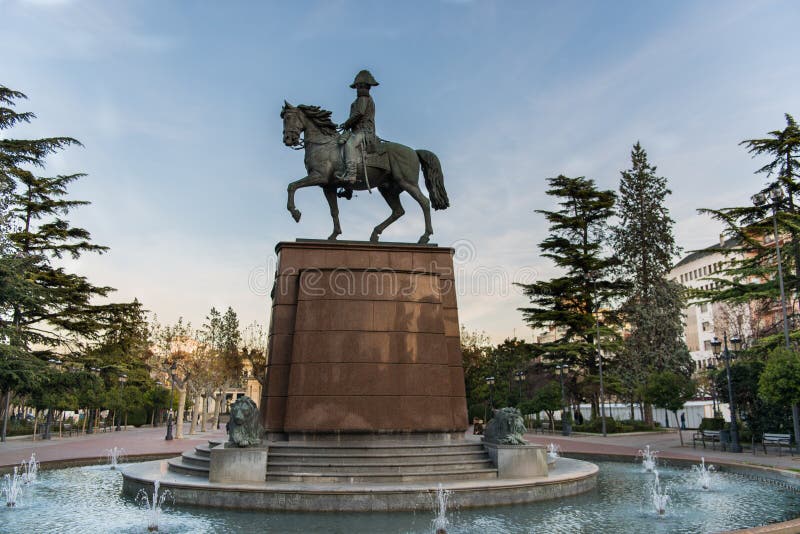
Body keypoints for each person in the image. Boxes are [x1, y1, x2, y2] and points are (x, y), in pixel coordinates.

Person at [336, 69, 379, 184]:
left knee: (350, 145)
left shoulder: (364, 99)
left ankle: (351, 174)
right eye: (358, 87)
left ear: (367, 87)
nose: (359, 89)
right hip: (355, 131)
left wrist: (347, 123)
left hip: (364, 131)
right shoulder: (357, 100)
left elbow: (359, 113)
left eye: (361, 86)